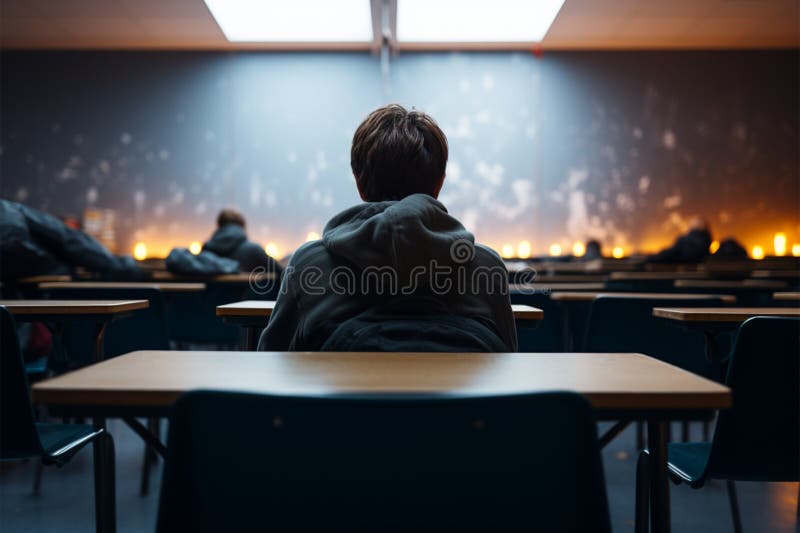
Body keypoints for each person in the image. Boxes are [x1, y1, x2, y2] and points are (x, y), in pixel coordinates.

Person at [259, 104, 516, 352]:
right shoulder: (486, 266)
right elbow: (507, 367)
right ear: (439, 185)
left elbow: (272, 365)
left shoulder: (309, 264)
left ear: (359, 183)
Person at [202, 208, 281, 274]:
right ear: (242, 226)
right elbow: (282, 273)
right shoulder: (254, 250)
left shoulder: (206, 250)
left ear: (219, 225)